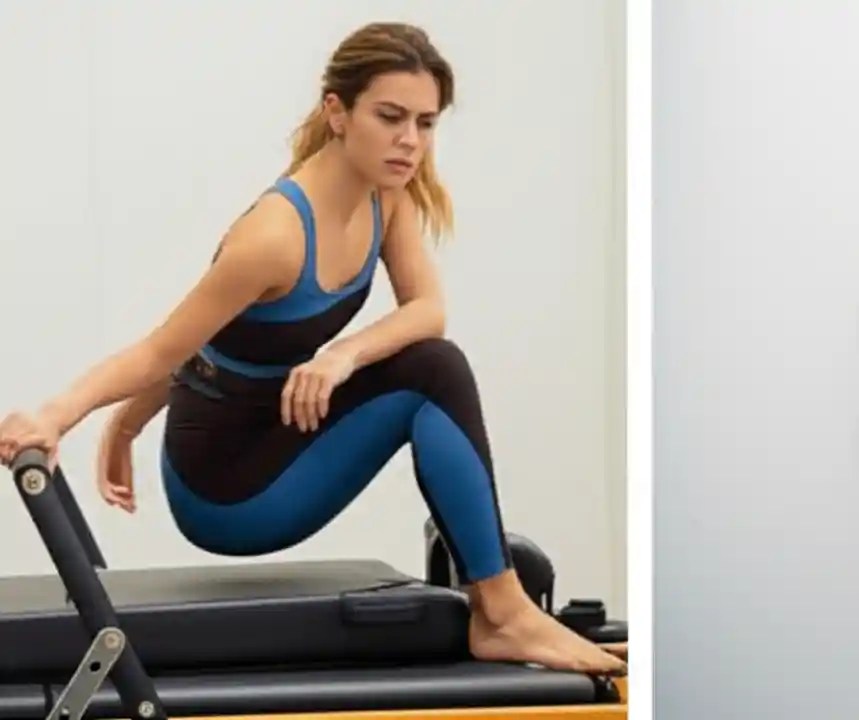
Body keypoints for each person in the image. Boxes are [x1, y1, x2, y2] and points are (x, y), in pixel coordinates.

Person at [0, 21, 625, 677]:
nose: (410, 141)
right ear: (337, 111)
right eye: (390, 117)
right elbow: (164, 348)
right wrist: (63, 417)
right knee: (435, 374)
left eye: (426, 122)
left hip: (280, 442)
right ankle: (503, 612)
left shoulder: (389, 196)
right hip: (226, 492)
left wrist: (341, 355)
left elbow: (428, 310)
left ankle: (501, 608)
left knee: (431, 362)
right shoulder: (275, 236)